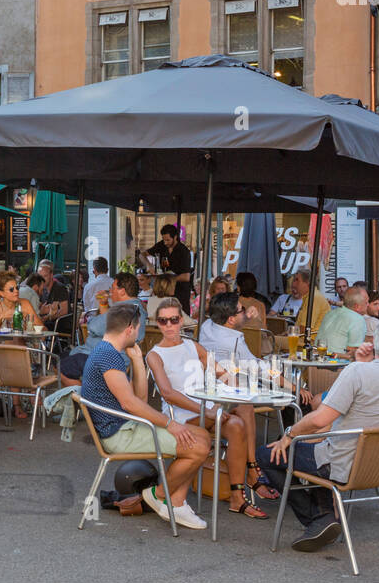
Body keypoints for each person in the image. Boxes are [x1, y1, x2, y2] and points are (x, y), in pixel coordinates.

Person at [255, 315, 379, 552]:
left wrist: (289, 434)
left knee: (268, 453)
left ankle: (318, 519)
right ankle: (324, 514)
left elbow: (319, 419)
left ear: (376, 341)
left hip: (343, 464)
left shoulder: (357, 372)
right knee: (316, 448)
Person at [79, 302, 211, 529]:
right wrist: (171, 424)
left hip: (123, 427)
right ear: (130, 329)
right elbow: (130, 403)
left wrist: (138, 362)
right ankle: (159, 495)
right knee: (198, 446)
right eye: (139, 328)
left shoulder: (109, 353)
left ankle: (175, 503)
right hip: (118, 434)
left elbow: (137, 400)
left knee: (202, 435)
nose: (140, 333)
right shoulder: (108, 357)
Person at [147, 296, 277, 519]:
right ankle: (251, 476)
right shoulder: (154, 355)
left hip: (207, 411)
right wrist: (206, 410)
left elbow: (221, 372)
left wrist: (236, 390)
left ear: (181, 321)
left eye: (173, 320)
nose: (168, 325)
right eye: (162, 321)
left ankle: (237, 497)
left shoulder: (192, 346)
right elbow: (168, 393)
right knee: (236, 418)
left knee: (236, 423)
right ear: (157, 323)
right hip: (180, 416)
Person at [148, 224, 193, 314]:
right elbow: (142, 255)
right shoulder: (161, 245)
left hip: (180, 291)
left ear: (175, 237)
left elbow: (186, 277)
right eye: (164, 240)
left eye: (168, 240)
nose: (165, 243)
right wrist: (149, 265)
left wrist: (167, 279)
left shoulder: (183, 251)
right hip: (164, 292)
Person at [315, 286, 369, 358]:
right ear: (357, 306)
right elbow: (353, 354)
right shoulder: (357, 319)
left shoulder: (330, 313)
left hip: (317, 360)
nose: (368, 304)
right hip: (336, 365)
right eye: (366, 302)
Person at [35, 260, 72, 333]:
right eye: (40, 277)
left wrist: (48, 317)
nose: (42, 279)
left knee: (38, 326)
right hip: (49, 322)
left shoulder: (60, 288)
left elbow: (64, 311)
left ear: (51, 275)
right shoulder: (43, 289)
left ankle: (39, 344)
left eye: (45, 276)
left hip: (60, 323)